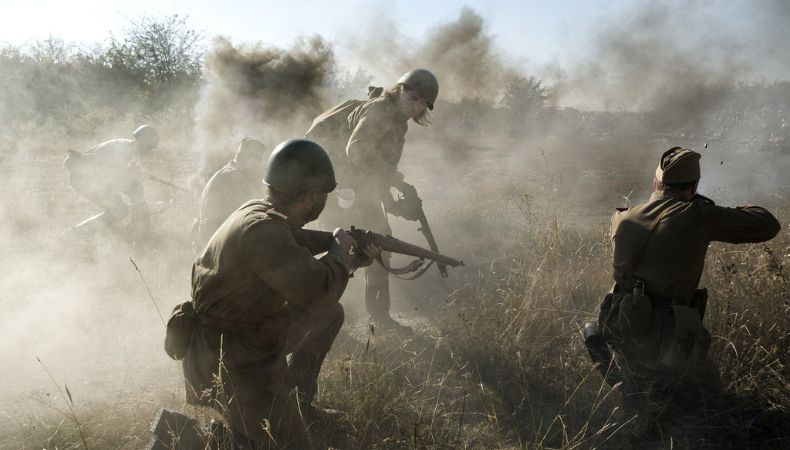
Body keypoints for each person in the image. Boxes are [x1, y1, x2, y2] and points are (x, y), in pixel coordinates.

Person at [182, 139, 380, 448]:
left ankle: (300, 405)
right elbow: (318, 291)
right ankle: (212, 439)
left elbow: (295, 248)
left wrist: (350, 256)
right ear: (313, 196)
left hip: (238, 341)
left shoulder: (257, 213)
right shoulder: (264, 231)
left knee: (330, 315)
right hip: (232, 361)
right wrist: (340, 250)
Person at [597, 147, 780, 431]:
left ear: (656, 182)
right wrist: (708, 209)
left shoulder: (622, 217)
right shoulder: (697, 216)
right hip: (669, 340)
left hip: (620, 325)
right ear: (693, 186)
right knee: (714, 406)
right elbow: (768, 224)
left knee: (640, 391)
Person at [306, 68, 439, 330]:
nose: (417, 107)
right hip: (339, 191)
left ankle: (379, 318)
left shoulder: (399, 124)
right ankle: (316, 318)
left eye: (423, 103)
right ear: (401, 90)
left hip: (360, 192)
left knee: (379, 246)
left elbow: (374, 176)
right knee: (338, 250)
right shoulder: (379, 109)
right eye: (414, 98)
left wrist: (399, 206)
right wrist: (394, 177)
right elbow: (356, 150)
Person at [64, 124, 159, 235]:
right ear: (141, 142)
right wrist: (134, 177)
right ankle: (73, 235)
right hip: (84, 179)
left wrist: (136, 178)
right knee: (119, 210)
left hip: (95, 178)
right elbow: (108, 172)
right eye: (148, 148)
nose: (149, 152)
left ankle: (142, 229)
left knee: (135, 189)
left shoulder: (129, 150)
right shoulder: (121, 149)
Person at [192, 138, 267, 251]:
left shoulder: (227, 171)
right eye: (258, 160)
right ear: (250, 158)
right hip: (218, 244)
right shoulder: (235, 178)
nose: (259, 165)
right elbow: (246, 216)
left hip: (210, 240)